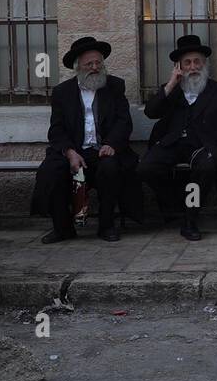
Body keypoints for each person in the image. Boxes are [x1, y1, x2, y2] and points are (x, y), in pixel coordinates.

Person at [139, 34, 217, 241]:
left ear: (204, 63)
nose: (193, 67)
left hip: (203, 145)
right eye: (187, 63)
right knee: (146, 168)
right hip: (172, 143)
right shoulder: (169, 89)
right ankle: (176, 204)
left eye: (197, 61)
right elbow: (151, 112)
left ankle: (190, 219)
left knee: (206, 167)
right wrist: (172, 84)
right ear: (179, 66)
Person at [30, 36, 141, 243]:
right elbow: (56, 129)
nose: (95, 67)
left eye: (98, 62)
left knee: (111, 168)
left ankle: (106, 226)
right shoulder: (62, 92)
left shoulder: (115, 86)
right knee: (51, 172)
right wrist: (70, 152)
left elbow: (123, 121)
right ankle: (63, 228)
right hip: (74, 150)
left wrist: (111, 144)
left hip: (103, 149)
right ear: (77, 67)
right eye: (89, 64)